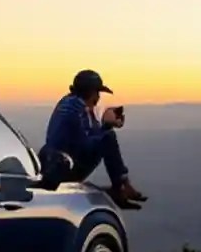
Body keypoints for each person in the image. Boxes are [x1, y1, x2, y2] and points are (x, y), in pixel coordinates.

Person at [39, 69, 147, 208]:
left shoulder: (72, 103)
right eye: (97, 93)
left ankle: (121, 187)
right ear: (90, 92)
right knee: (108, 138)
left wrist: (106, 124)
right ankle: (121, 187)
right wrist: (107, 128)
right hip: (63, 166)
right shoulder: (76, 108)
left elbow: (88, 135)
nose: (98, 97)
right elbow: (85, 142)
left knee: (107, 137)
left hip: (58, 163)